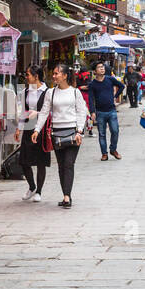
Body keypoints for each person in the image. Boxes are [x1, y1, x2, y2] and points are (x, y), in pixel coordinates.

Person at [35, 63, 86, 208]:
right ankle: (66, 193)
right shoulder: (51, 93)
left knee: (69, 164)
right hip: (56, 133)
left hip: (72, 132)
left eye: (57, 73)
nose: (54, 76)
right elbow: (45, 112)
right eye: (54, 73)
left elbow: (82, 111)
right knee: (61, 166)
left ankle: (66, 196)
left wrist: (80, 131)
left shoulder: (75, 92)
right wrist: (37, 130)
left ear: (64, 76)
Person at [19, 64, 51, 202]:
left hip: (42, 129)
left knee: (41, 161)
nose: (26, 77)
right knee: (24, 161)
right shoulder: (27, 91)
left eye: (28, 75)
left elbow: (52, 112)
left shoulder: (48, 92)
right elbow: (24, 111)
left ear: (36, 76)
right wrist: (19, 128)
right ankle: (32, 186)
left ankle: (39, 191)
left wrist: (37, 113)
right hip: (28, 127)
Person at [86, 60, 124, 161]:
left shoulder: (110, 79)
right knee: (102, 134)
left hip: (111, 111)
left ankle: (113, 149)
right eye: (99, 67)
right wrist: (92, 112)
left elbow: (121, 86)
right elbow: (90, 99)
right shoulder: (92, 84)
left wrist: (115, 96)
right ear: (94, 71)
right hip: (100, 112)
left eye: (102, 67)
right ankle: (104, 154)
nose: (102, 68)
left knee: (115, 131)